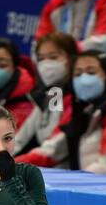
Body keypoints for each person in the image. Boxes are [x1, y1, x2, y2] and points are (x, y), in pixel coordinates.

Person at [18, 49, 106, 174]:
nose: (84, 78)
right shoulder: (79, 106)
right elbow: (51, 149)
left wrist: (73, 184)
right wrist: (13, 167)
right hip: (84, 182)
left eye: (91, 72)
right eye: (78, 73)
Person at [13, 32, 78, 160]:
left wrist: (19, 163)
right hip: (49, 167)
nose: (46, 64)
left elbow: (57, 146)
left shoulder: (77, 97)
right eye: (41, 59)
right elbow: (19, 140)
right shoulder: (49, 95)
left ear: (71, 60)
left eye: (53, 57)